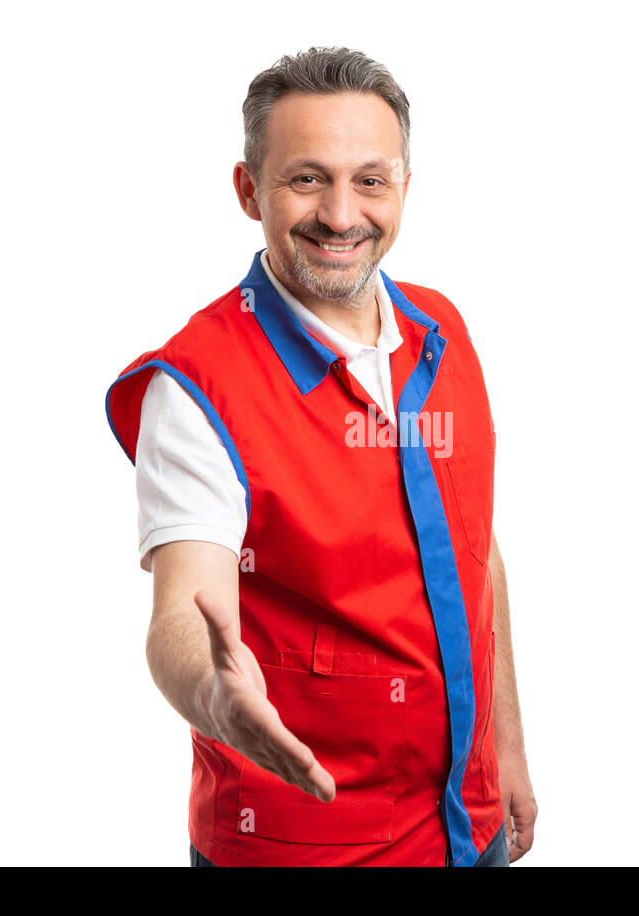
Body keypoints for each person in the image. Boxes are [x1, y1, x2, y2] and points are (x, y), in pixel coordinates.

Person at [104, 46, 536, 866]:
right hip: (305, 850)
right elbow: (180, 613)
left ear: (404, 187)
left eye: (370, 180)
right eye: (308, 179)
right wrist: (217, 701)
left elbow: (478, 557)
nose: (342, 215)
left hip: (463, 829)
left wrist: (505, 746)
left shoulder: (442, 334)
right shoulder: (197, 387)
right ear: (247, 189)